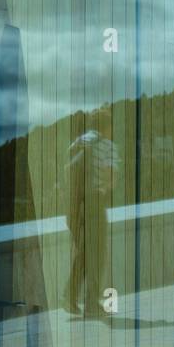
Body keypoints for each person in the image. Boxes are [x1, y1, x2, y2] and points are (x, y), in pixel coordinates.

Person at [65, 108, 118, 316]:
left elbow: (66, 171)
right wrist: (105, 188)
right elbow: (110, 177)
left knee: (83, 251)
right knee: (97, 253)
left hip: (74, 205)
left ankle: (69, 296)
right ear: (107, 126)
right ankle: (91, 303)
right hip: (95, 203)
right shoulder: (107, 146)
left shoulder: (77, 143)